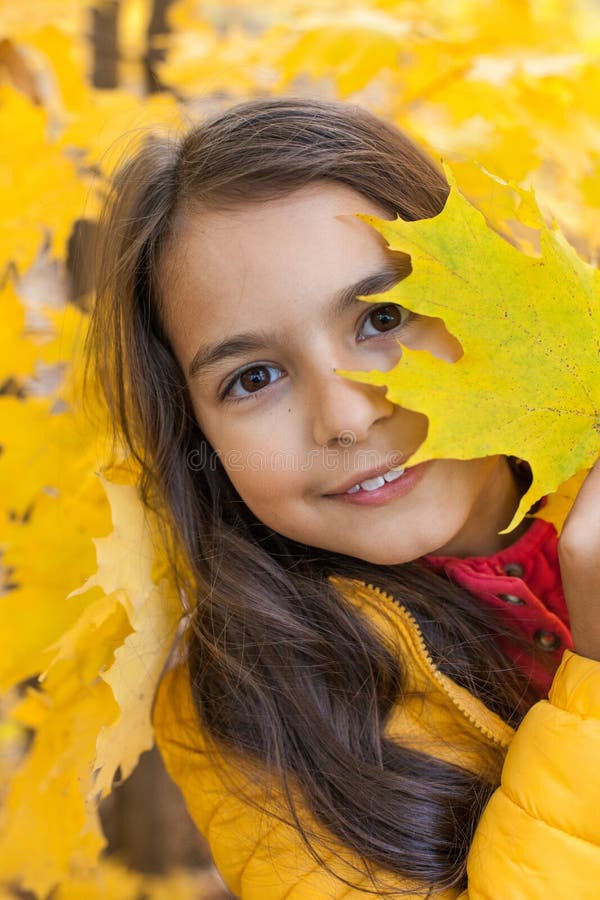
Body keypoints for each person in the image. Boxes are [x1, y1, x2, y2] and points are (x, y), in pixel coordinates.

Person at [88, 97, 600, 897]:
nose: (348, 415)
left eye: (384, 317)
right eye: (253, 378)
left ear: (493, 302)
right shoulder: (241, 713)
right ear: (199, 439)